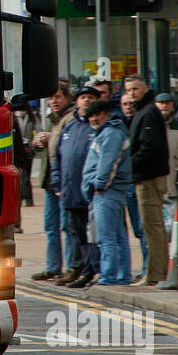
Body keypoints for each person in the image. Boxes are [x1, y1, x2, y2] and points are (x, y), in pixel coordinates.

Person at [123, 74, 170, 287]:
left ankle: (155, 275)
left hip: (149, 177)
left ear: (144, 89)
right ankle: (154, 273)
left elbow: (149, 147)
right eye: (128, 89)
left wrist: (129, 165)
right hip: (144, 176)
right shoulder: (142, 111)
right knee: (150, 226)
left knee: (152, 227)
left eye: (135, 89)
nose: (131, 93)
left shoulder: (149, 112)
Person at [52, 86, 101, 288]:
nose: (86, 101)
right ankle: (77, 269)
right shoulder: (70, 127)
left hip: (89, 192)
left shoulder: (98, 127)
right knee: (75, 234)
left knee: (91, 235)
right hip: (69, 191)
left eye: (91, 97)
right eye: (83, 97)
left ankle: (90, 271)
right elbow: (59, 157)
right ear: (77, 101)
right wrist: (57, 183)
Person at [81, 98, 132, 286]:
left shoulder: (110, 133)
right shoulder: (108, 132)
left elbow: (108, 164)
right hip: (109, 192)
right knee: (117, 237)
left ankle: (109, 277)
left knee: (106, 238)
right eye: (90, 116)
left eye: (98, 114)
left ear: (107, 114)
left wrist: (98, 185)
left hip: (106, 193)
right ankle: (121, 276)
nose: (94, 119)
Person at [30, 83, 75, 281]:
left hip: (65, 182)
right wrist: (37, 143)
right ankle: (53, 266)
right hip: (49, 181)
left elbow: (74, 146)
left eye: (58, 97)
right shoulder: (50, 119)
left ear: (67, 98)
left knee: (68, 226)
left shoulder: (72, 118)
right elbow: (44, 149)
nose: (54, 101)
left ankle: (72, 267)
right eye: (51, 98)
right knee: (51, 227)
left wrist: (54, 138)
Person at [118, 91, 149, 276]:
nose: (128, 106)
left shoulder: (141, 122)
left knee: (141, 228)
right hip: (122, 183)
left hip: (137, 181)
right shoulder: (118, 125)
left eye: (131, 103)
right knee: (121, 231)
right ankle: (124, 271)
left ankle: (146, 268)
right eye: (125, 104)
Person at [155, 92, 178, 206]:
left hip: (175, 184)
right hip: (156, 186)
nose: (164, 106)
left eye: (167, 103)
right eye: (161, 103)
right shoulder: (150, 126)